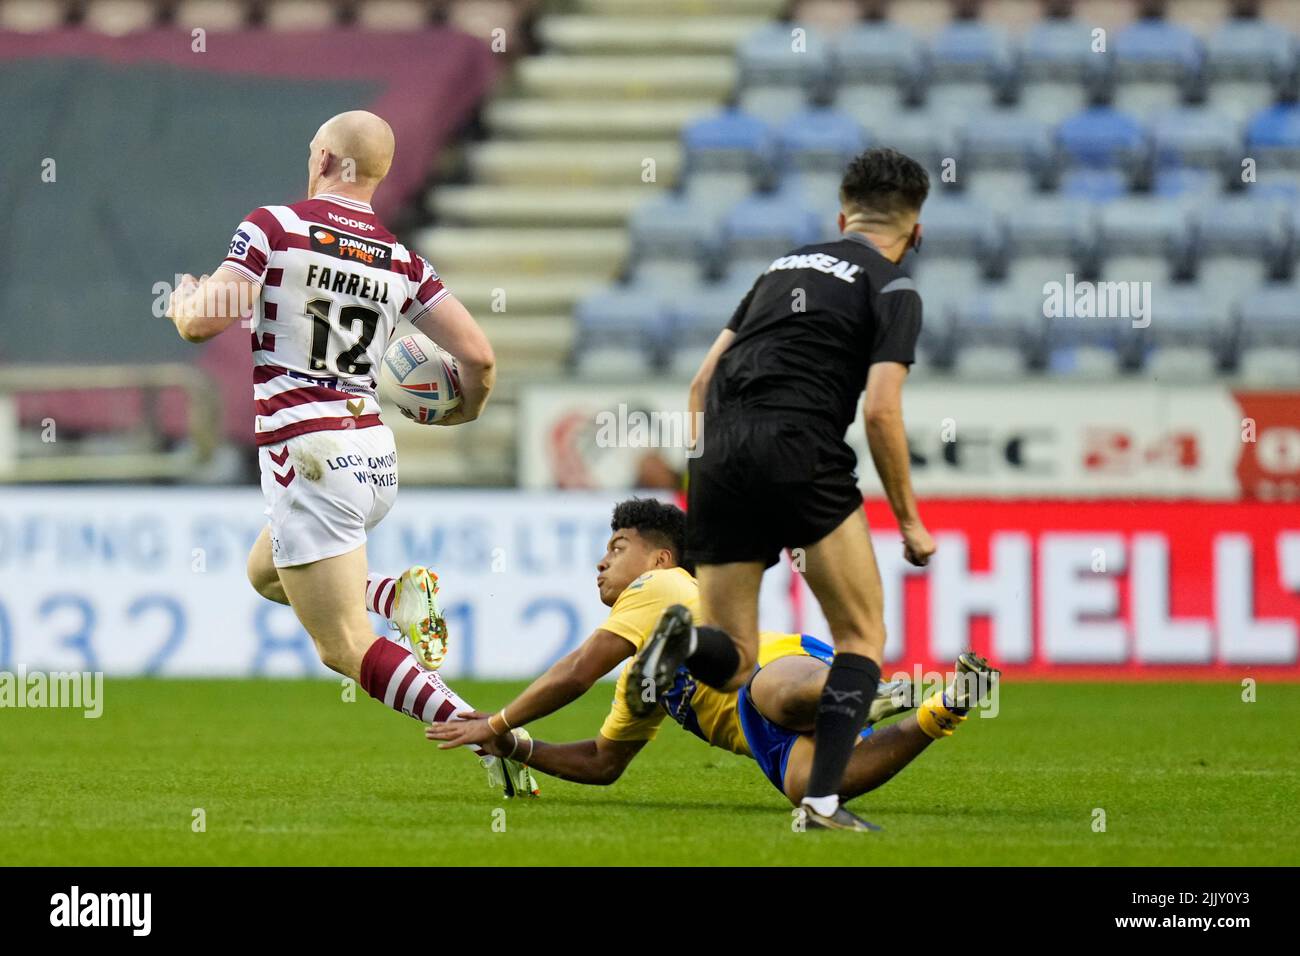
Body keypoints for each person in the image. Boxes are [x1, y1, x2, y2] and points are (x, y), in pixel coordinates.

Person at [164, 110, 534, 796]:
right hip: (373, 451)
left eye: (313, 151)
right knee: (265, 571)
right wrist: (465, 409)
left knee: (342, 644)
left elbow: (207, 320)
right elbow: (478, 357)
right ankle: (396, 593)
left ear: (329, 158)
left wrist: (183, 302)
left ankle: (488, 734)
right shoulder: (401, 259)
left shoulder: (276, 226)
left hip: (311, 452)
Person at [625, 147, 937, 830]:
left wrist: (707, 473)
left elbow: (702, 382)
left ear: (841, 215)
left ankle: (679, 647)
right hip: (801, 448)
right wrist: (910, 522)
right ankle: (822, 804)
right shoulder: (894, 287)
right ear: (915, 233)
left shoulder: (782, 268)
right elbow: (882, 409)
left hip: (717, 454)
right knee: (860, 636)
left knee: (733, 659)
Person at [423, 499, 994, 815]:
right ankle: (943, 708)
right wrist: (515, 746)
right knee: (810, 788)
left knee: (766, 690)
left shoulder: (662, 585)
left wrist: (498, 722)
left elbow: (577, 670)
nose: (601, 563)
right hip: (763, 734)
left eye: (617, 548)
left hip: (776, 666)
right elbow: (603, 762)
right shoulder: (641, 679)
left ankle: (861, 693)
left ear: (661, 557)